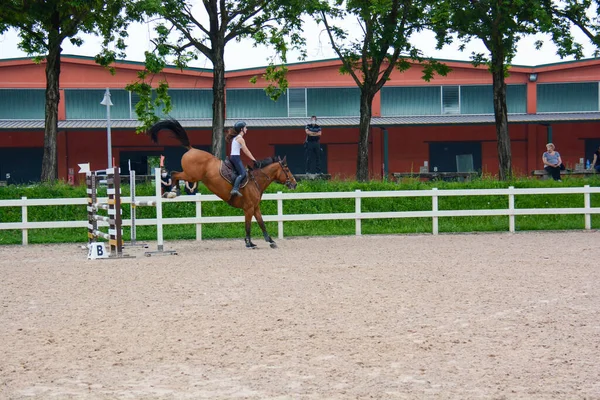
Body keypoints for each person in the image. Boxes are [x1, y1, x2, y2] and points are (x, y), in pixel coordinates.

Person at [225, 121, 257, 197]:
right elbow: (246, 150)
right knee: (243, 173)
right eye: (245, 127)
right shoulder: (240, 139)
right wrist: (254, 159)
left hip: (234, 157)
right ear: (242, 129)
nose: (247, 129)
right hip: (235, 158)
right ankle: (235, 189)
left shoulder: (236, 138)